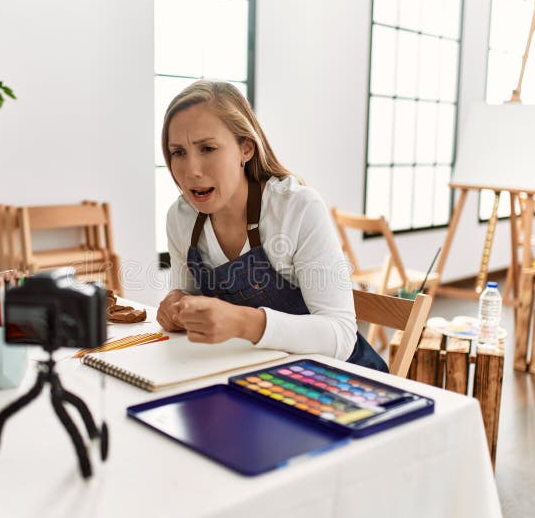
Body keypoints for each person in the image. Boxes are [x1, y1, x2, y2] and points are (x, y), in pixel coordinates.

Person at [156, 80, 387, 372]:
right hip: (253, 374)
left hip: (339, 379)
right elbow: (187, 296)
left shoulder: (298, 208)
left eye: (208, 148)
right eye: (178, 152)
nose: (192, 171)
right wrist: (175, 304)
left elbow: (341, 336)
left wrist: (244, 322)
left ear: (246, 149)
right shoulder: (180, 218)